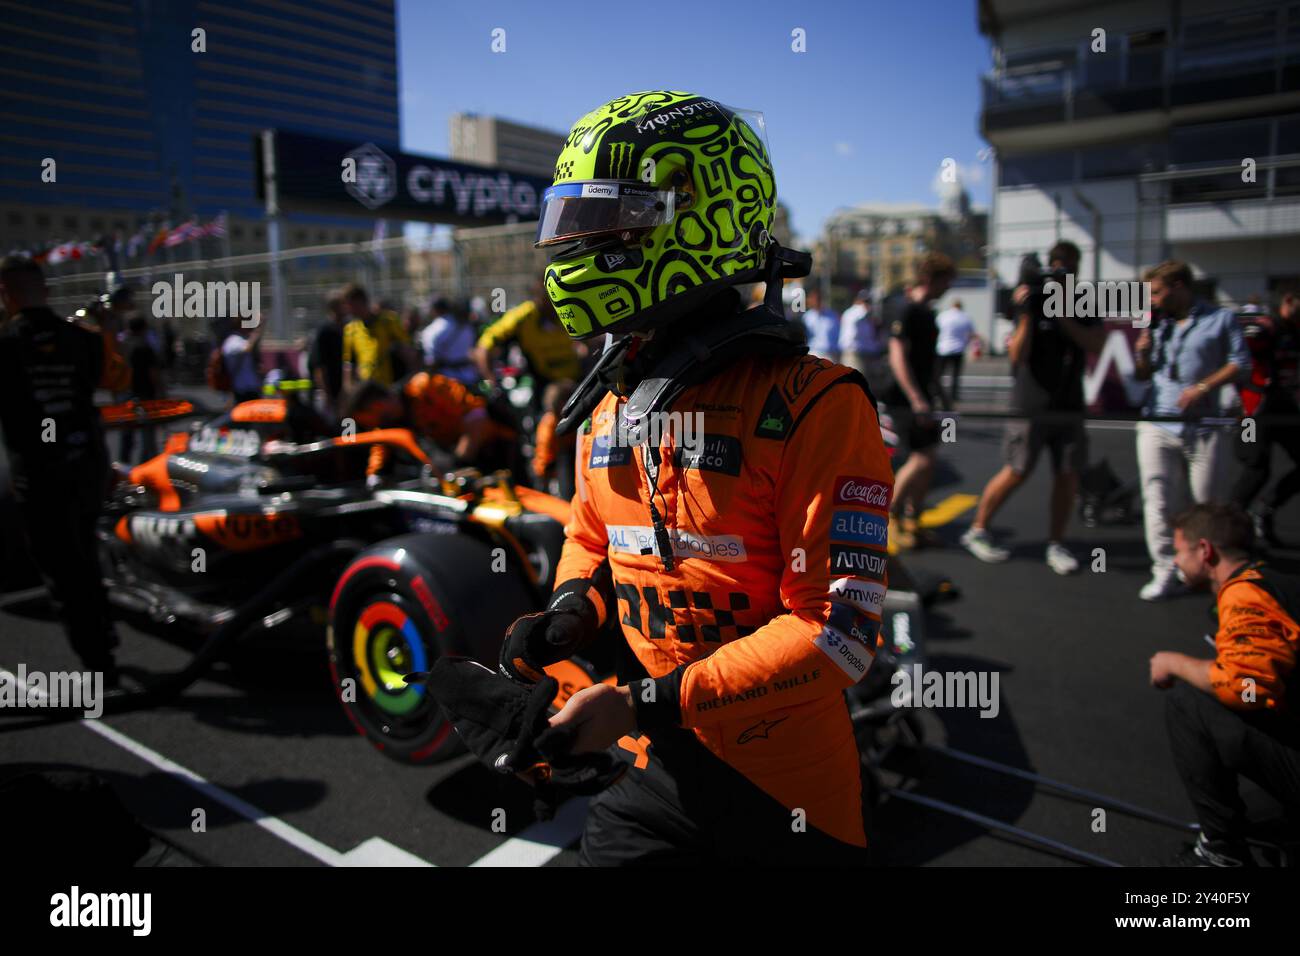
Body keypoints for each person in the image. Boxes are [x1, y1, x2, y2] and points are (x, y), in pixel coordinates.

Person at [497, 90, 891, 865]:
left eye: (604, 224)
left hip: (786, 797)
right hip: (653, 775)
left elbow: (838, 636)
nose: (571, 252)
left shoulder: (817, 402)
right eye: (569, 225)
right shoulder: (613, 397)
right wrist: (571, 613)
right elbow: (592, 535)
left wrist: (642, 703)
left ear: (694, 215)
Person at [1150, 504, 1300, 866]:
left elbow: (1247, 687)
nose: (1174, 561)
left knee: (1187, 703)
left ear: (1205, 551)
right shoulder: (1275, 582)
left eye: (1178, 551)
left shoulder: (1246, 594)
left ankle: (1222, 849)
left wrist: (1175, 663)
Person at [0, 256, 119, 681]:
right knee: (86, 551)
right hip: (87, 464)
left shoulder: (7, 344)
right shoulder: (82, 339)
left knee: (61, 564)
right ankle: (103, 629)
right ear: (45, 291)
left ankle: (97, 657)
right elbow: (106, 381)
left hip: (40, 473)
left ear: (6, 296)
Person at [960, 242, 1105, 573]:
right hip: (1030, 404)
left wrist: (1064, 314)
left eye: (1067, 266)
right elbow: (1018, 355)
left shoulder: (1083, 301)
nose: (1060, 272)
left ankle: (1056, 543)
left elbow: (1095, 343)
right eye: (1056, 266)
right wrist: (1026, 312)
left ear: (1078, 268)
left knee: (1067, 475)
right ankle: (978, 530)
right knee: (1017, 470)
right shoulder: (1033, 301)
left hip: (1069, 404)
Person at [1133, 260, 1250, 601]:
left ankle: (1213, 574)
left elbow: (1240, 364)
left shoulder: (1220, 319)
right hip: (1157, 421)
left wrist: (1202, 387)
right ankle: (1165, 570)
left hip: (1203, 426)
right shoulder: (1156, 325)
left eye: (1156, 292)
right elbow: (1143, 375)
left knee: (1207, 505)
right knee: (1156, 499)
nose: (1151, 300)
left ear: (1180, 286)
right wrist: (1142, 355)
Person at [883, 253, 956, 550]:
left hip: (924, 396)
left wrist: (941, 395)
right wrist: (915, 399)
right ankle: (890, 518)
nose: (947, 289)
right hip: (904, 397)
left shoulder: (927, 311)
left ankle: (913, 519)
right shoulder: (906, 308)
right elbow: (897, 355)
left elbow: (931, 361)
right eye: (945, 283)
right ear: (930, 279)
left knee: (929, 457)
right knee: (921, 457)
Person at [342, 371, 520, 482]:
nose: (368, 426)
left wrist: (458, 464)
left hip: (498, 448)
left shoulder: (425, 388)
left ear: (375, 406)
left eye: (365, 420)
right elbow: (380, 444)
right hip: (468, 468)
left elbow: (476, 417)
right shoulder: (389, 421)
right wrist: (374, 476)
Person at [1230, 292, 1300, 547]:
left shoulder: (1295, 329)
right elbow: (1240, 349)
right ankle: (1230, 525)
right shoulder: (1265, 327)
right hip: (1254, 412)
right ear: (1288, 301)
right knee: (1256, 466)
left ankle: (1266, 508)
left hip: (1285, 410)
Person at [473, 281, 582, 396]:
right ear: (540, 299)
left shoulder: (569, 310)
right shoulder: (523, 317)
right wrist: (492, 382)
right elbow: (483, 348)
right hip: (544, 386)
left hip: (576, 381)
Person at [340, 283, 415, 389]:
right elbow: (349, 365)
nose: (347, 310)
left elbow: (409, 353)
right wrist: (348, 389)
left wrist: (409, 382)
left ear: (361, 301)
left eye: (349, 305)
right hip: (367, 390)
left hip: (392, 388)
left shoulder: (388, 321)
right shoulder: (351, 330)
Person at [122, 315, 162, 462]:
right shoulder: (145, 348)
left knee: (129, 434)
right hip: (146, 393)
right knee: (148, 434)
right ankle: (147, 464)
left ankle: (125, 462)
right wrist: (160, 392)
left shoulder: (125, 346)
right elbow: (153, 373)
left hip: (130, 392)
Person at [419, 296, 479, 386]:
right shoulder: (467, 327)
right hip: (469, 376)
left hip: (445, 381)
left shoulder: (432, 329)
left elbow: (430, 360)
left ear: (433, 310)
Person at [309, 292, 346, 418]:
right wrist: (326, 393)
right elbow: (319, 366)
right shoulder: (324, 331)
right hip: (331, 390)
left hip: (346, 390)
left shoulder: (349, 328)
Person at [934, 297, 974, 409]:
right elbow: (970, 333)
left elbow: (936, 329)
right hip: (958, 348)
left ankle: (937, 393)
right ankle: (954, 395)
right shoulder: (965, 317)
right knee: (955, 374)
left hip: (942, 347)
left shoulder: (943, 316)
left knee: (938, 374)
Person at [221, 320, 264, 403]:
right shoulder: (233, 340)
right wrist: (257, 331)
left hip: (252, 388)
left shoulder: (242, 340)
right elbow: (247, 348)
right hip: (243, 389)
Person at [800, 287, 840, 362]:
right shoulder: (807, 317)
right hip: (813, 354)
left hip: (830, 354)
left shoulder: (833, 315)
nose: (817, 301)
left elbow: (838, 335)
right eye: (814, 299)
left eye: (819, 299)